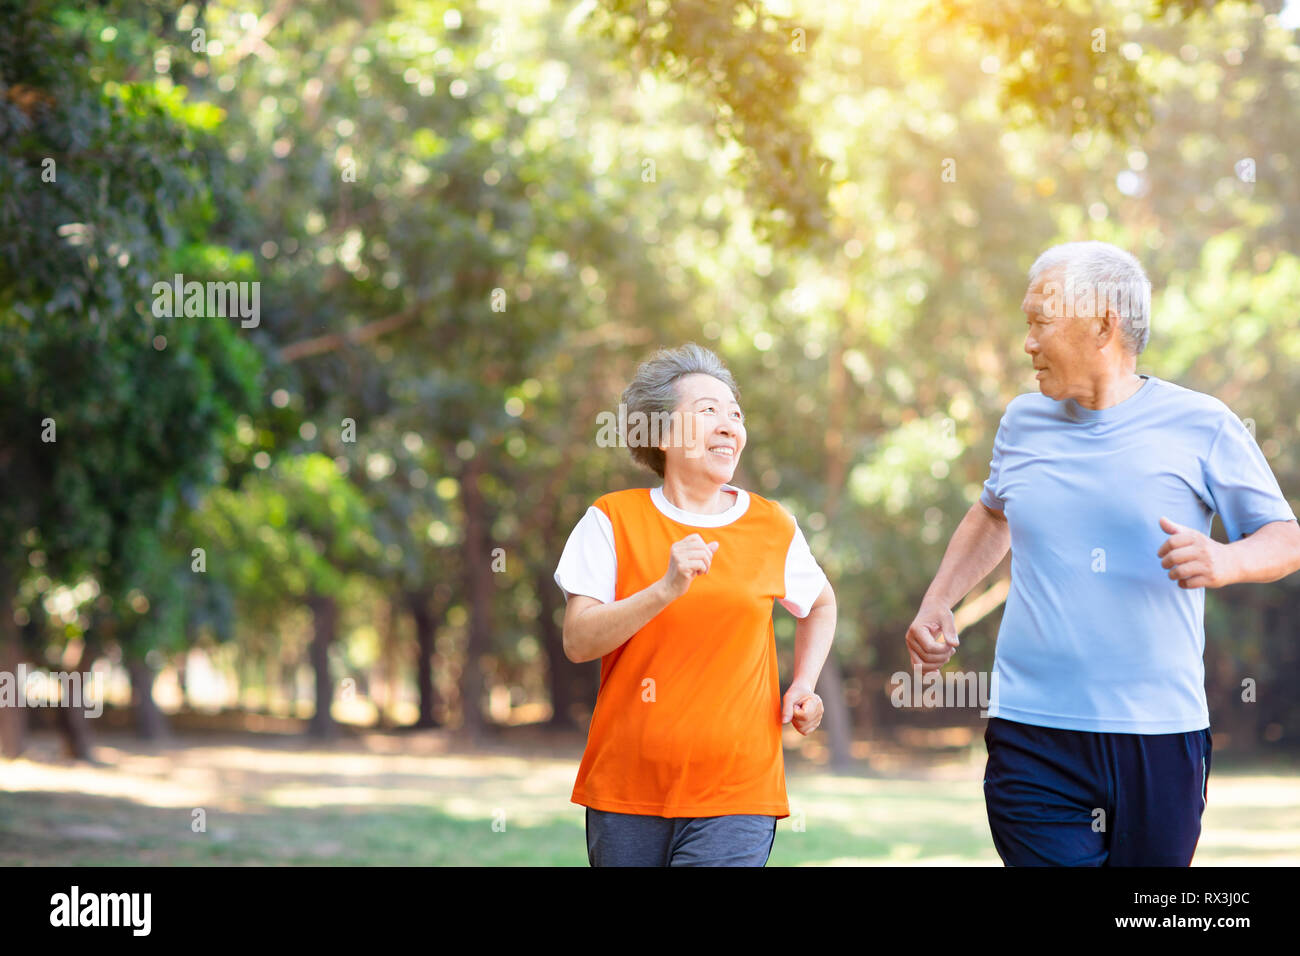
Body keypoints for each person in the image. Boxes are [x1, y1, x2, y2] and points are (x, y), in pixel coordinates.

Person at [906, 240, 1300, 866]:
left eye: (1040, 322)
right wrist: (937, 601)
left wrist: (1226, 561)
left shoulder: (1203, 424)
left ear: (1102, 323)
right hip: (1031, 732)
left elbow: (1285, 538)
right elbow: (992, 513)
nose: (1028, 342)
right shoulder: (1023, 421)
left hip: (1160, 735)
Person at [554, 343, 836, 867]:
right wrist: (664, 588)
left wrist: (803, 684)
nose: (729, 423)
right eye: (707, 411)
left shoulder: (772, 526)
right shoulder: (611, 519)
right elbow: (578, 640)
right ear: (661, 434)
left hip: (738, 788)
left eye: (735, 414)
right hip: (626, 786)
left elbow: (820, 604)